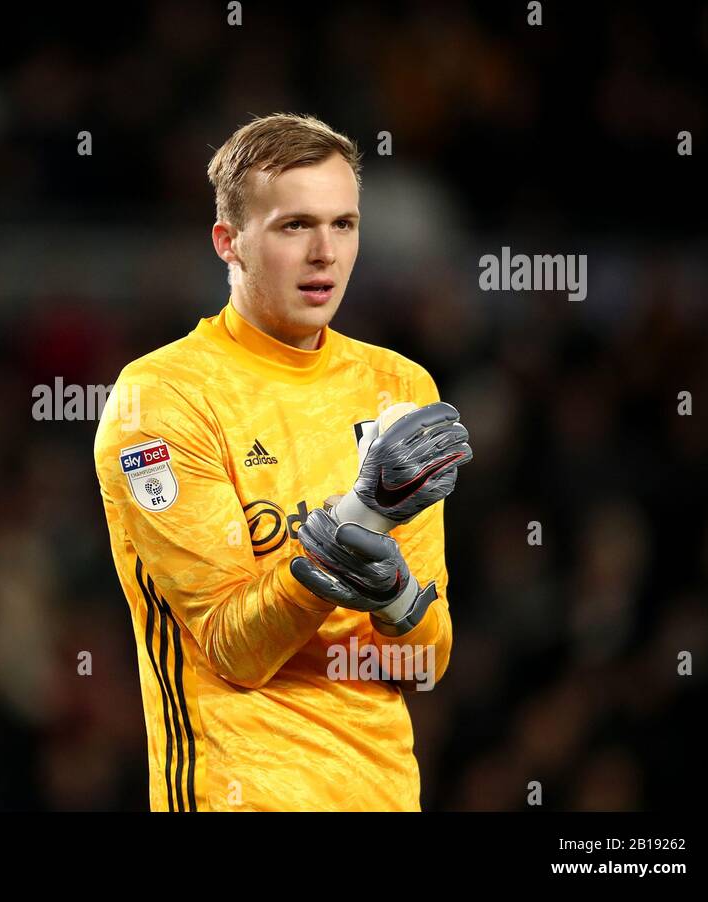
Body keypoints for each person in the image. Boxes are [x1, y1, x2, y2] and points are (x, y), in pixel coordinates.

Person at [93, 113, 472, 811]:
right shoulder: (161, 399)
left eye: (344, 224)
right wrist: (361, 521)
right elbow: (236, 650)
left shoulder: (399, 390)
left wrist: (390, 597)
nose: (325, 252)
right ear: (228, 243)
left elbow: (427, 662)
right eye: (295, 226)